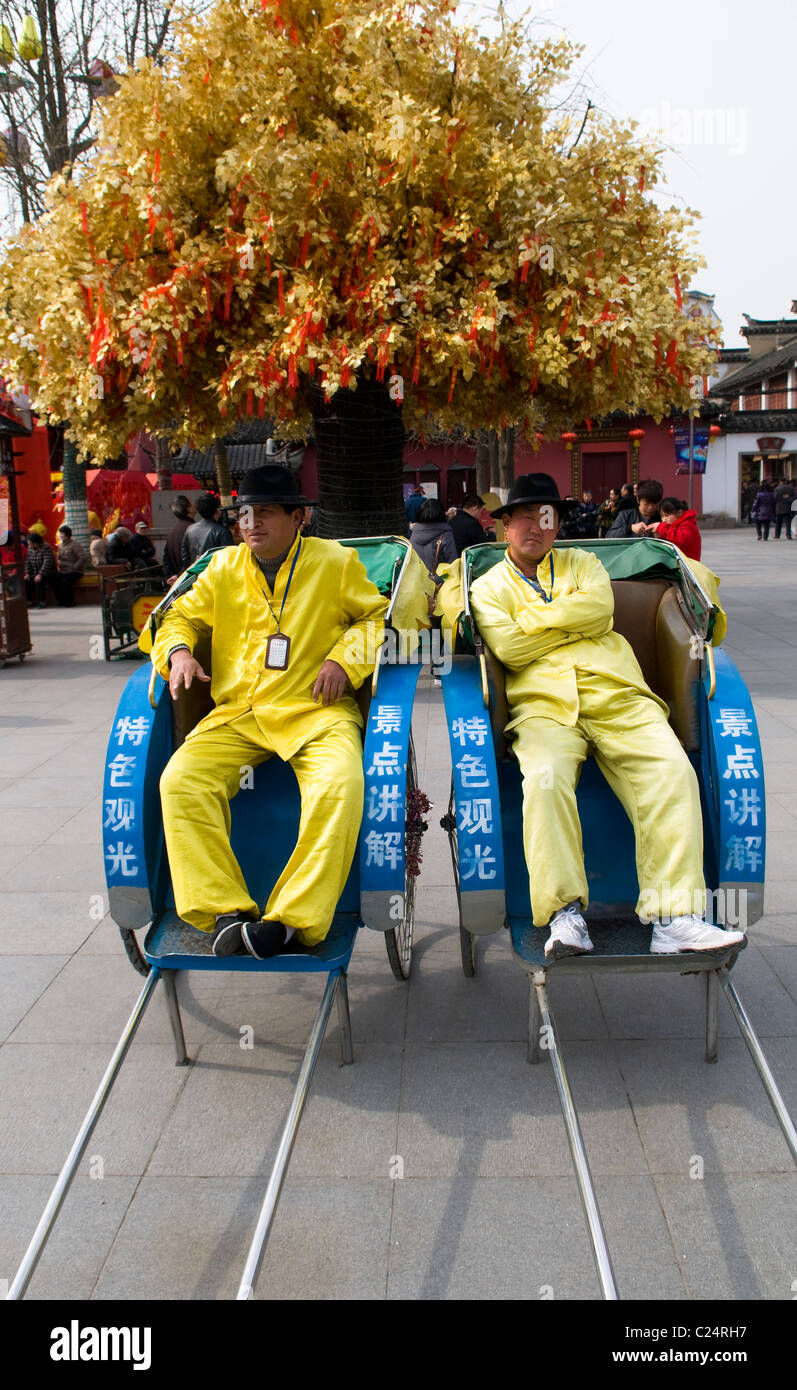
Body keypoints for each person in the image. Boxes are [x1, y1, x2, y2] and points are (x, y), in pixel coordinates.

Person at [469, 472, 745, 960]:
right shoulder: (488, 588)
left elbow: (599, 609)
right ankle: (564, 916)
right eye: (525, 517)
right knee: (546, 779)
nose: (537, 526)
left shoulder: (584, 564)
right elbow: (508, 649)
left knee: (672, 770)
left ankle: (675, 917)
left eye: (547, 516)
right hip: (543, 707)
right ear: (505, 526)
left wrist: (534, 621)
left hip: (618, 693)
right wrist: (569, 625)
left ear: (558, 524)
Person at [147, 464, 387, 960]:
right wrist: (179, 653)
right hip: (241, 712)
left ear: (299, 517)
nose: (252, 523)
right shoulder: (222, 568)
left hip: (315, 711)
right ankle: (224, 910)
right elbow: (177, 616)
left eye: (267, 513)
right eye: (245, 514)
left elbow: (376, 616)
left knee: (340, 783)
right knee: (181, 781)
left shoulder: (334, 563)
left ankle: (292, 920)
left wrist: (345, 659)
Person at [181, 492, 235, 567]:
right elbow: (230, 559)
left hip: (196, 574)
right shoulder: (222, 531)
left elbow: (185, 558)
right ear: (217, 509)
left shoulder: (190, 530)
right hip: (215, 574)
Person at [164, 496, 195, 581]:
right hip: (191, 578)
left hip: (177, 581)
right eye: (191, 503)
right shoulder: (192, 528)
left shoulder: (172, 530)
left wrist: (172, 576)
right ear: (188, 508)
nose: (194, 504)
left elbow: (166, 558)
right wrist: (180, 575)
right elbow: (194, 557)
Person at [55, 525, 87, 606]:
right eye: (60, 534)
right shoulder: (60, 545)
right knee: (56, 581)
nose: (60, 535)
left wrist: (75, 567)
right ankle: (61, 601)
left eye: (62, 534)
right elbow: (59, 557)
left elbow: (82, 557)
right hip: (64, 571)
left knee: (66, 582)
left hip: (75, 571)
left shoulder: (74, 544)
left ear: (67, 535)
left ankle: (70, 601)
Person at [24, 531, 58, 607]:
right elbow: (28, 561)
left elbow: (48, 561)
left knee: (39, 580)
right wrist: (27, 573)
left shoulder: (46, 547)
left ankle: (41, 601)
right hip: (35, 572)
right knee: (26, 580)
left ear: (36, 542)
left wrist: (40, 574)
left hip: (48, 572)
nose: (29, 544)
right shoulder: (30, 548)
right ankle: (29, 601)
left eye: (31, 543)